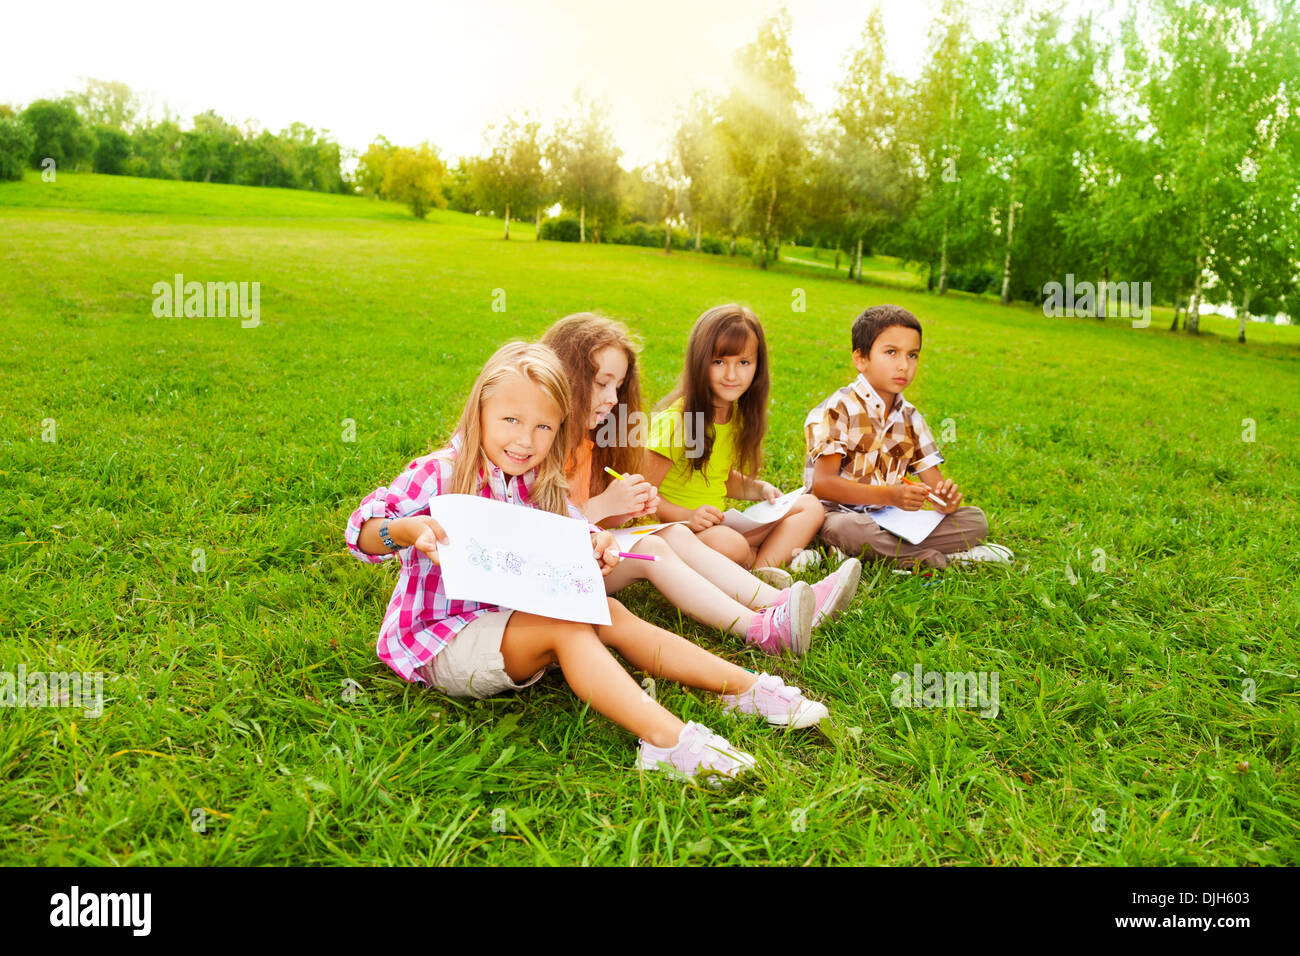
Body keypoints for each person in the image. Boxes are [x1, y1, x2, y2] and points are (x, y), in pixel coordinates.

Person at [345, 341, 829, 786]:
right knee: (571, 627)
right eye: (510, 420)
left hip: (509, 618)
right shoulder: (442, 472)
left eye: (543, 427)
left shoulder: (537, 482)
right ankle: (669, 742)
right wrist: (404, 531)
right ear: (480, 412)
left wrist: (598, 547)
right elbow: (363, 531)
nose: (525, 440)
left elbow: (580, 531)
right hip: (442, 638)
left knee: (610, 612)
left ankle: (746, 689)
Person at [541, 312, 861, 656]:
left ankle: (783, 604)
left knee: (673, 537)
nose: (613, 399)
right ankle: (763, 629)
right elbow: (543, 528)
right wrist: (608, 505)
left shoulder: (588, 442)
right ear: (564, 375)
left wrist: (624, 507)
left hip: (594, 554)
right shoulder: (539, 442)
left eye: (617, 387)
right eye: (602, 383)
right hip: (554, 568)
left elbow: (597, 523)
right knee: (663, 546)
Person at [804, 304, 1013, 568]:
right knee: (849, 531)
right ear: (861, 359)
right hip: (840, 516)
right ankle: (938, 559)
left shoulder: (911, 418)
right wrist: (889, 495)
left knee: (974, 521)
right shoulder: (836, 410)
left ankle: (879, 554)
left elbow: (934, 488)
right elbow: (823, 485)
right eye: (891, 352)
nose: (904, 365)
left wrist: (945, 502)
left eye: (912, 355)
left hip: (892, 519)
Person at [643, 304, 828, 580]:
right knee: (732, 544)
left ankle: (758, 571)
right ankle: (762, 562)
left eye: (743, 362)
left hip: (714, 525)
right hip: (672, 530)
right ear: (698, 362)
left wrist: (760, 489)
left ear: (757, 367)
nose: (732, 375)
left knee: (810, 506)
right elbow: (641, 493)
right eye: (719, 362)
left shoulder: (735, 415)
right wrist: (687, 515)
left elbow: (719, 477)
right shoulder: (678, 421)